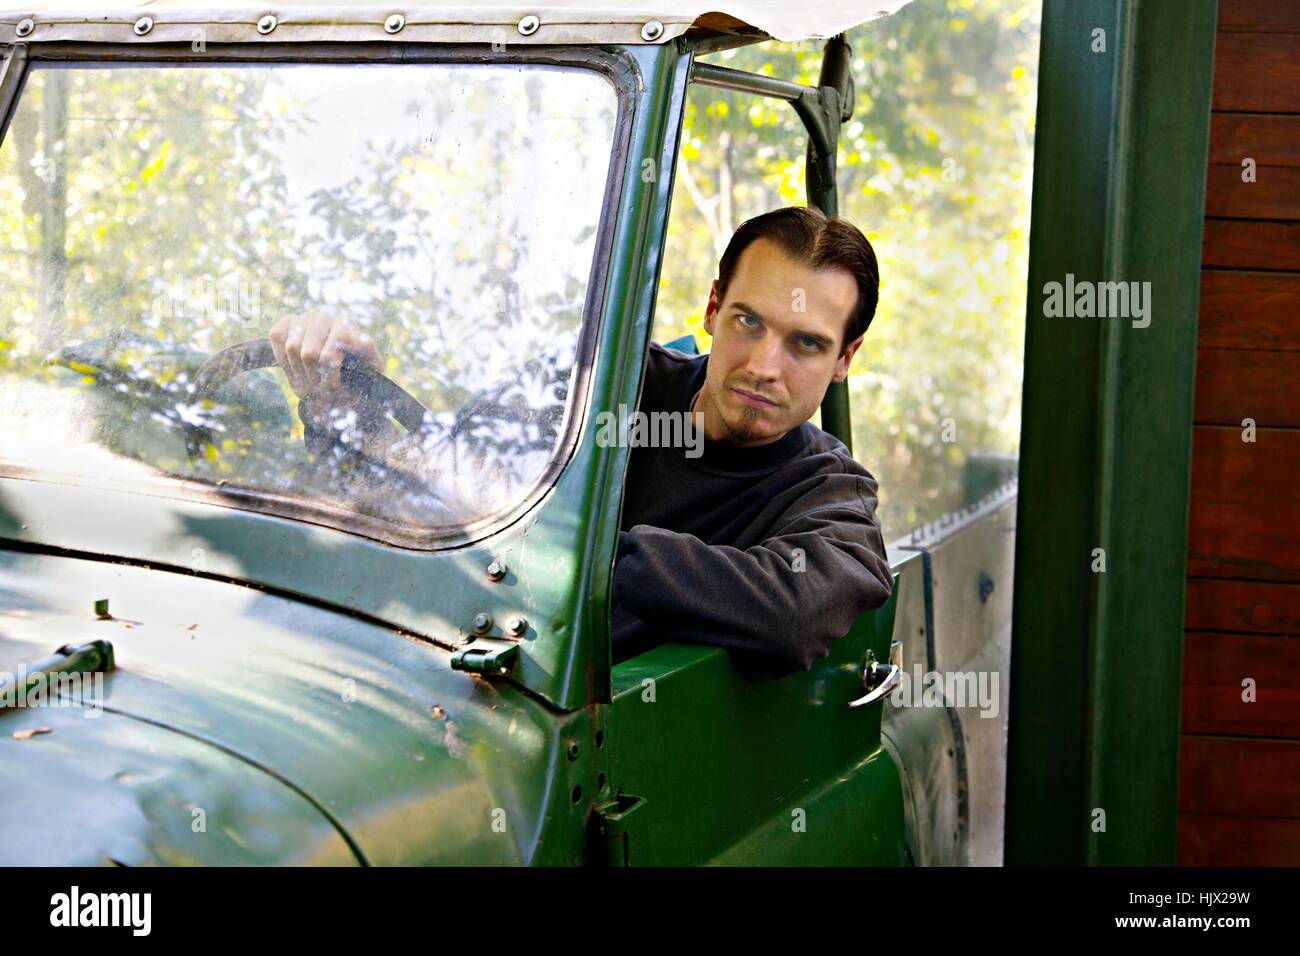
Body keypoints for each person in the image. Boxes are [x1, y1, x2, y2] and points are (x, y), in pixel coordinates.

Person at [269, 205, 891, 676]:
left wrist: (560, 542)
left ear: (845, 359)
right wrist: (342, 410)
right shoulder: (592, 388)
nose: (763, 364)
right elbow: (416, 492)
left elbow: (792, 613)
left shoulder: (829, 494)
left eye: (805, 343)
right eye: (748, 321)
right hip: (433, 676)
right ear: (712, 308)